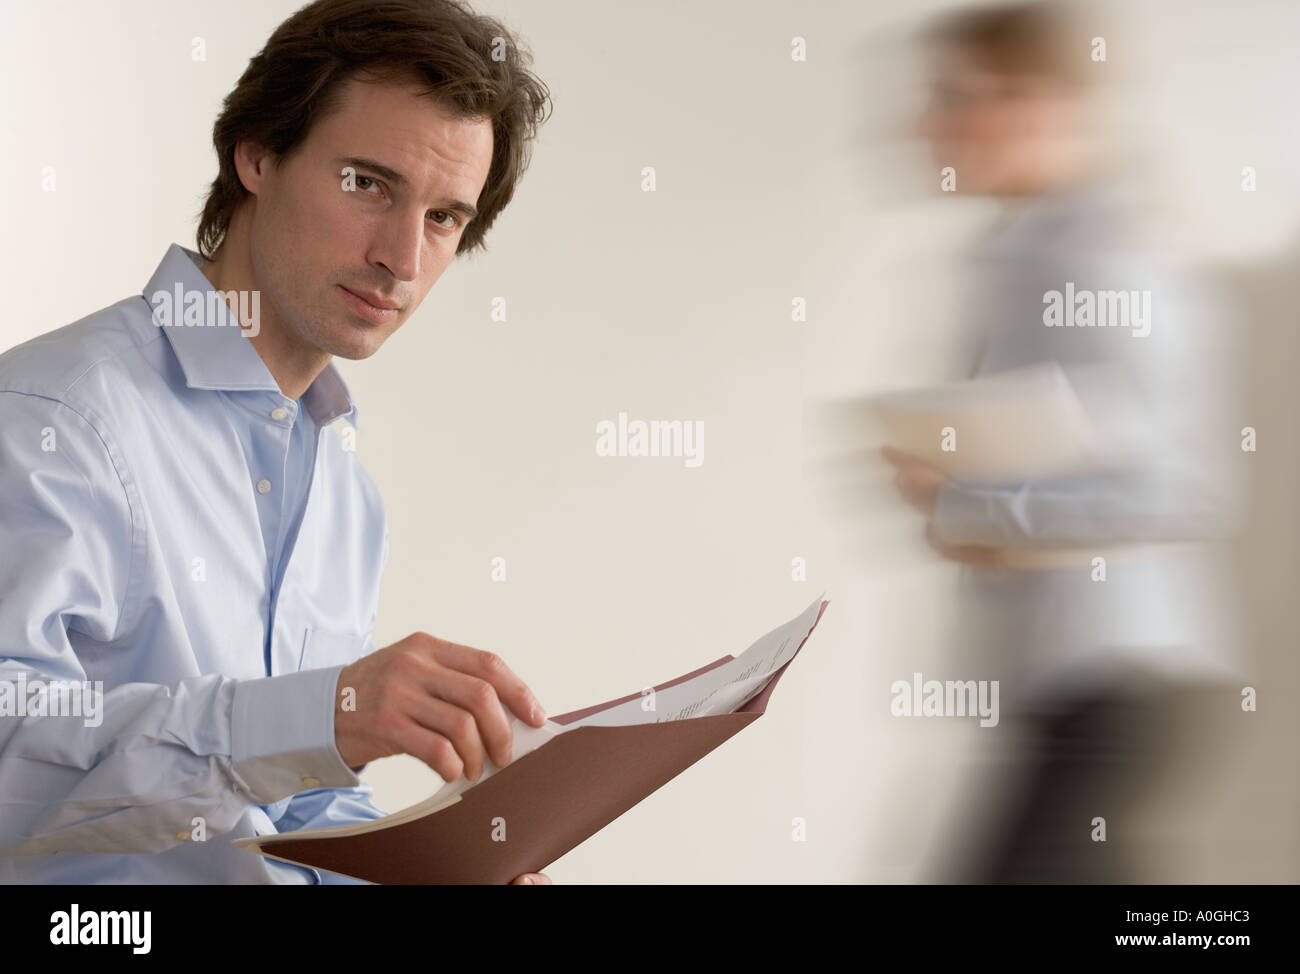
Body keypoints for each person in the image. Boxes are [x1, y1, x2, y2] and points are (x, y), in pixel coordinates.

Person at [0, 0, 554, 884]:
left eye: (446, 216)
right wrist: (319, 717)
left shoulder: (340, 483)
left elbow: (294, 813)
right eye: (368, 184)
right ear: (256, 155)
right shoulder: (49, 419)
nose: (403, 260)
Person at [885, 1, 1247, 882]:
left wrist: (971, 505)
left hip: (1116, 678)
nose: (928, 123)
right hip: (1066, 682)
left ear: (1042, 102)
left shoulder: (1101, 258)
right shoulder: (1028, 251)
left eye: (958, 96)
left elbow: (1181, 487)